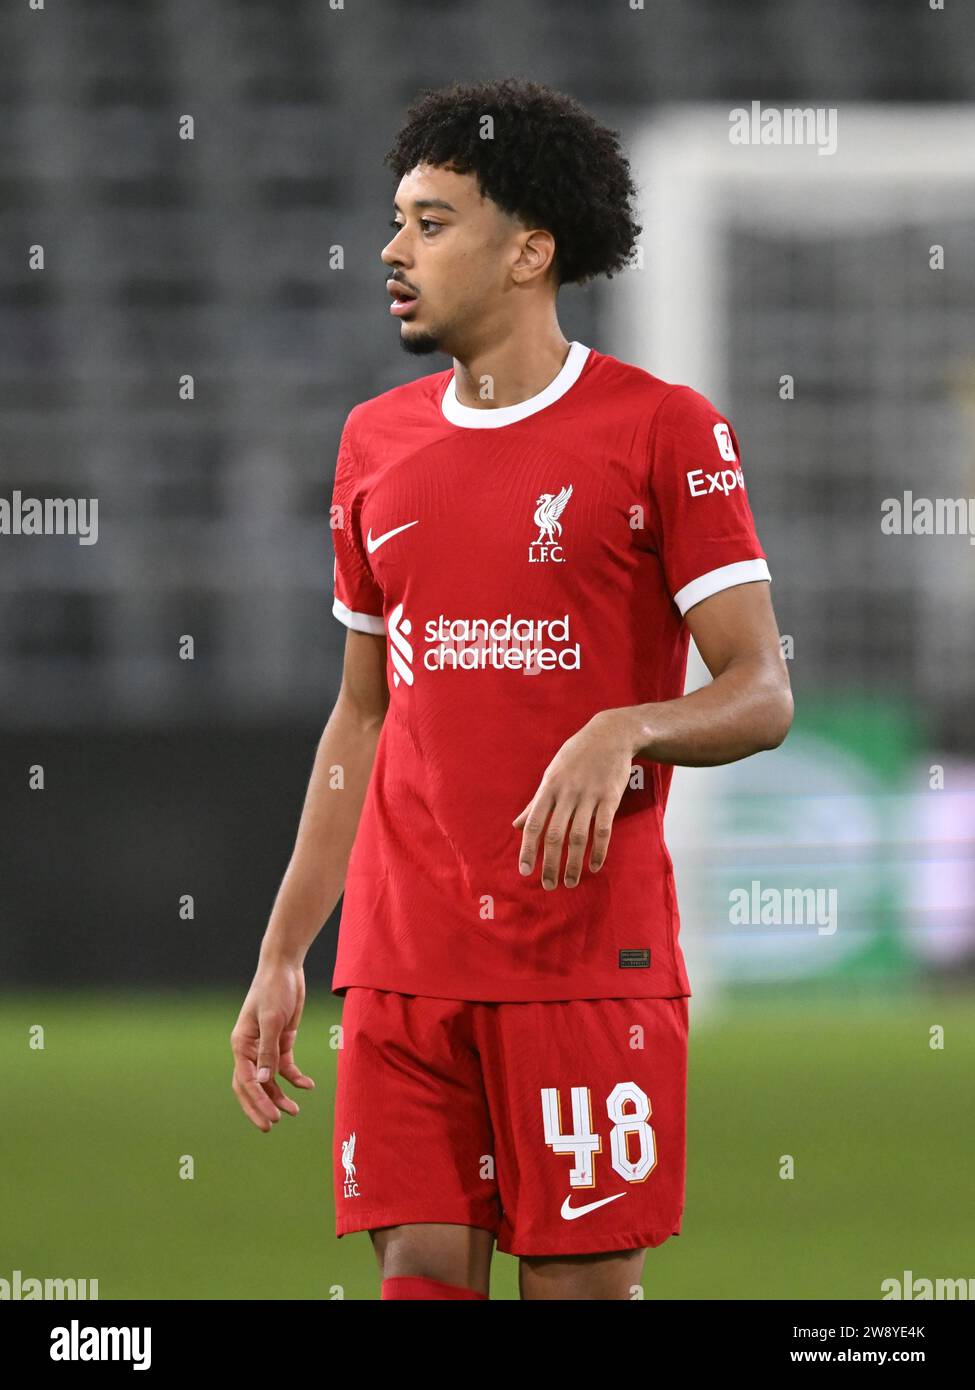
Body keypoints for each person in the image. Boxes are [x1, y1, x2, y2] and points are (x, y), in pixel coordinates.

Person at [231, 78, 793, 1301]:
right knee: (420, 1280)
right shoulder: (374, 442)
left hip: (587, 958)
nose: (392, 249)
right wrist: (284, 948)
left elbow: (759, 689)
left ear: (530, 251)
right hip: (403, 951)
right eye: (398, 220)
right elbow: (363, 714)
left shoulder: (664, 431)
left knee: (580, 1291)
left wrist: (629, 725)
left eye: (433, 223)